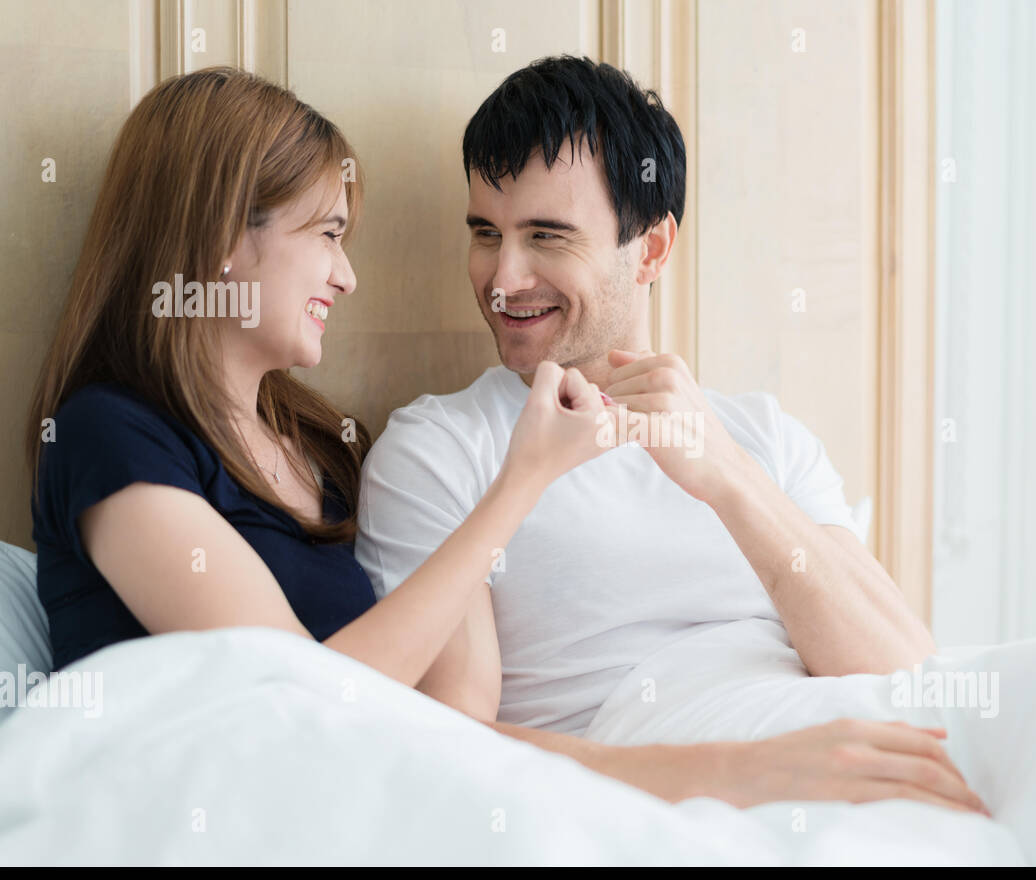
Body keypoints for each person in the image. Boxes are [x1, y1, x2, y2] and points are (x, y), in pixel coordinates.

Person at [356, 55, 990, 816]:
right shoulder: (441, 449)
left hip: (864, 754)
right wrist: (743, 773)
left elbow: (910, 670)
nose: (502, 276)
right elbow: (450, 734)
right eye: (486, 233)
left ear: (651, 249)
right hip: (696, 797)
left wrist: (725, 473)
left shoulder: (763, 435)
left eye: (547, 237)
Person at [26, 66, 611, 724]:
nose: (347, 276)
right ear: (222, 234)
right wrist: (520, 482)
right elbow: (298, 702)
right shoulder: (107, 435)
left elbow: (444, 704)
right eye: (329, 235)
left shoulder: (321, 444)